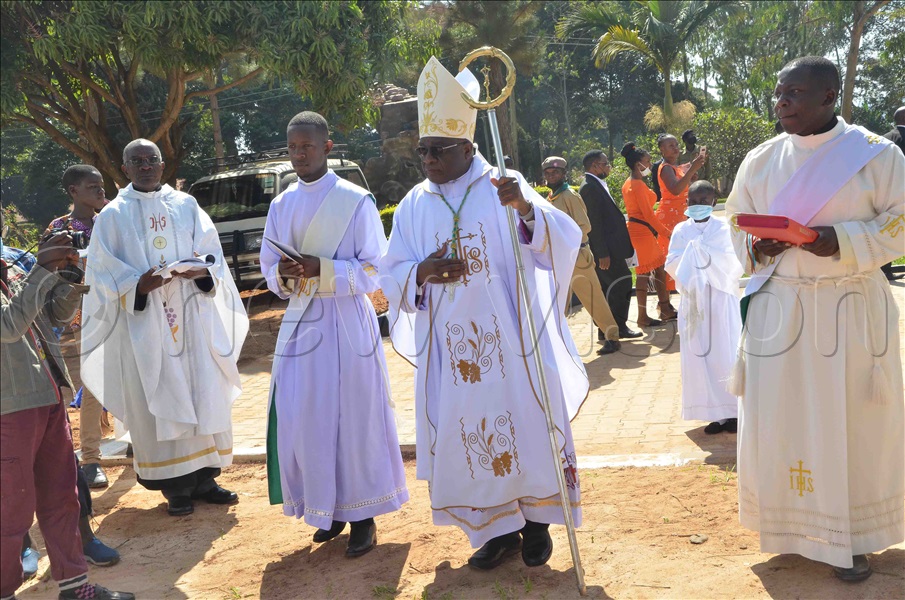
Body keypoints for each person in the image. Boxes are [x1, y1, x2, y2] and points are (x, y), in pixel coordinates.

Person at [381, 56, 587, 571]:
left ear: (468, 146)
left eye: (439, 149)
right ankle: (494, 532)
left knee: (528, 426)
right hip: (454, 358)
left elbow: (563, 240)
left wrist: (524, 209)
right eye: (422, 150)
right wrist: (421, 272)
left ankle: (537, 524)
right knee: (468, 436)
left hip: (512, 343)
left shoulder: (504, 184)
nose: (428, 158)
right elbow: (391, 274)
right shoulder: (412, 205)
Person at [726, 56, 904, 581]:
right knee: (785, 417)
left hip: (848, 306)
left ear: (829, 97)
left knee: (845, 419)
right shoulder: (760, 160)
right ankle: (791, 528)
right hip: (780, 308)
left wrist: (840, 241)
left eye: (795, 94)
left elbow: (901, 220)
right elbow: (735, 223)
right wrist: (755, 248)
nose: (782, 103)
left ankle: (849, 536)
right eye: (779, 93)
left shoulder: (877, 155)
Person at [260, 112, 408, 558]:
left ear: (327, 147)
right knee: (307, 417)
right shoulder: (281, 204)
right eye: (292, 148)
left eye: (307, 146)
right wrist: (284, 274)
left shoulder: (355, 200)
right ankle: (328, 509)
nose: (299, 154)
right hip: (302, 323)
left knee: (352, 418)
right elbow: (269, 269)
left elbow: (374, 269)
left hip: (346, 321)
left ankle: (363, 516)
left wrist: (320, 270)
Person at [80, 139, 249, 517]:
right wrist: (136, 286)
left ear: (162, 163)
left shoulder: (186, 205)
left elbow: (212, 254)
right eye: (136, 161)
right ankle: (175, 487)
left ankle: (206, 478)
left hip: (192, 316)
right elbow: (102, 271)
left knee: (202, 389)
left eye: (151, 159)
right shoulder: (113, 216)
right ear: (124, 168)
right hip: (145, 324)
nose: (145, 166)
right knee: (158, 398)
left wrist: (201, 271)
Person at [1, 224, 134, 600]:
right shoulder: (22, 267)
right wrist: (42, 271)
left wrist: (67, 277)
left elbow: (53, 319)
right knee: (10, 509)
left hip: (46, 394)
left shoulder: (11, 263)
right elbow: (8, 326)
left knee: (62, 497)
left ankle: (76, 587)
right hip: (7, 408)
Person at [48, 165, 110, 489]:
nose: (101, 191)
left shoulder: (111, 220)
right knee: (95, 382)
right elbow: (52, 275)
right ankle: (91, 460)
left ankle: (144, 445)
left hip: (124, 310)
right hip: (84, 315)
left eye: (101, 186)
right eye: (93, 187)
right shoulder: (59, 228)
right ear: (74, 191)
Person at [664, 180, 741, 434]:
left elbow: (732, 262)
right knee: (700, 355)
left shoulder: (723, 228)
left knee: (725, 352)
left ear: (713, 202)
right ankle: (713, 414)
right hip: (694, 303)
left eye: (703, 201)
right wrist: (692, 256)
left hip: (719, 298)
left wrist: (701, 255)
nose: (698, 206)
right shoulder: (680, 230)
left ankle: (733, 412)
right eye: (693, 202)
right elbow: (672, 261)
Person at [542, 156, 620, 354]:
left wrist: (562, 237)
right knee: (557, 300)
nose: (551, 176)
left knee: (592, 297)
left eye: (556, 173)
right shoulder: (551, 197)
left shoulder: (570, 196)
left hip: (576, 254)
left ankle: (612, 336)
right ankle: (554, 342)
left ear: (564, 174)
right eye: (548, 173)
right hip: (558, 255)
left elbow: (584, 225)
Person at [579, 150, 642, 339]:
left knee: (613, 287)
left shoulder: (596, 183)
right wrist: (602, 253)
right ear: (595, 166)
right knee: (620, 285)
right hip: (607, 251)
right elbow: (594, 224)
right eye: (606, 164)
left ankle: (607, 329)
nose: (609, 167)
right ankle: (617, 327)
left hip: (613, 248)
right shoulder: (589, 187)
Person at [619, 143, 673, 328]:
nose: (650, 165)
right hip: (641, 232)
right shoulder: (637, 186)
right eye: (647, 162)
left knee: (656, 270)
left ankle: (664, 308)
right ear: (637, 164)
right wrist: (667, 233)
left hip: (640, 231)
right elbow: (649, 215)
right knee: (644, 274)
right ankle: (643, 316)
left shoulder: (630, 183)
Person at [656, 133, 708, 303]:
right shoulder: (665, 168)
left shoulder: (675, 167)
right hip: (670, 220)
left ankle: (674, 301)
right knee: (669, 260)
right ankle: (664, 304)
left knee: (684, 257)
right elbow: (675, 190)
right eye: (670, 145)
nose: (676, 147)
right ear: (662, 150)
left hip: (680, 217)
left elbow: (683, 186)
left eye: (676, 144)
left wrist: (690, 176)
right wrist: (692, 169)